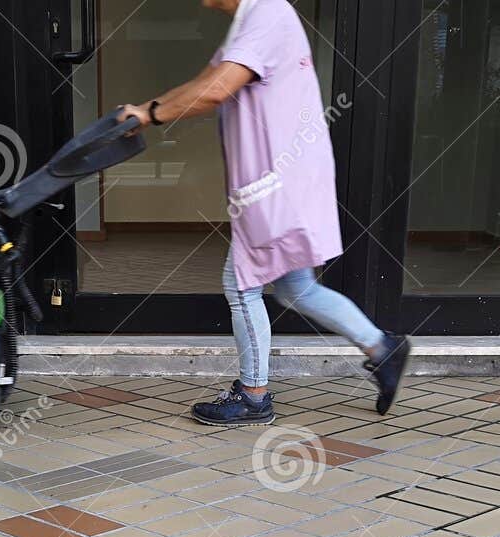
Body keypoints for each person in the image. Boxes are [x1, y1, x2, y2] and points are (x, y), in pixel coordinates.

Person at [120, 0, 409, 426]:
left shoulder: (268, 12)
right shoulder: (251, 21)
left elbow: (218, 89)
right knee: (296, 289)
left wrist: (150, 114)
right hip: (280, 181)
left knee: (240, 284)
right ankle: (383, 349)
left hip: (279, 182)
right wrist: (146, 111)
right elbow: (209, 80)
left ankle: (254, 396)